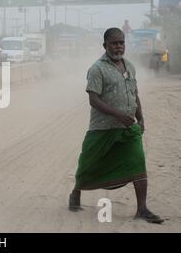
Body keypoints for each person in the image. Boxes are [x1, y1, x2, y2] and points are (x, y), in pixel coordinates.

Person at [68, 28, 164, 224]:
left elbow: (134, 93)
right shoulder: (97, 69)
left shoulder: (129, 66)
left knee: (138, 161)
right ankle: (76, 191)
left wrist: (141, 118)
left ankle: (142, 209)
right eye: (114, 43)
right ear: (105, 46)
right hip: (102, 128)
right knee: (88, 164)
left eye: (121, 42)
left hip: (128, 128)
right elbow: (93, 100)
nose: (119, 46)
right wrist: (118, 114)